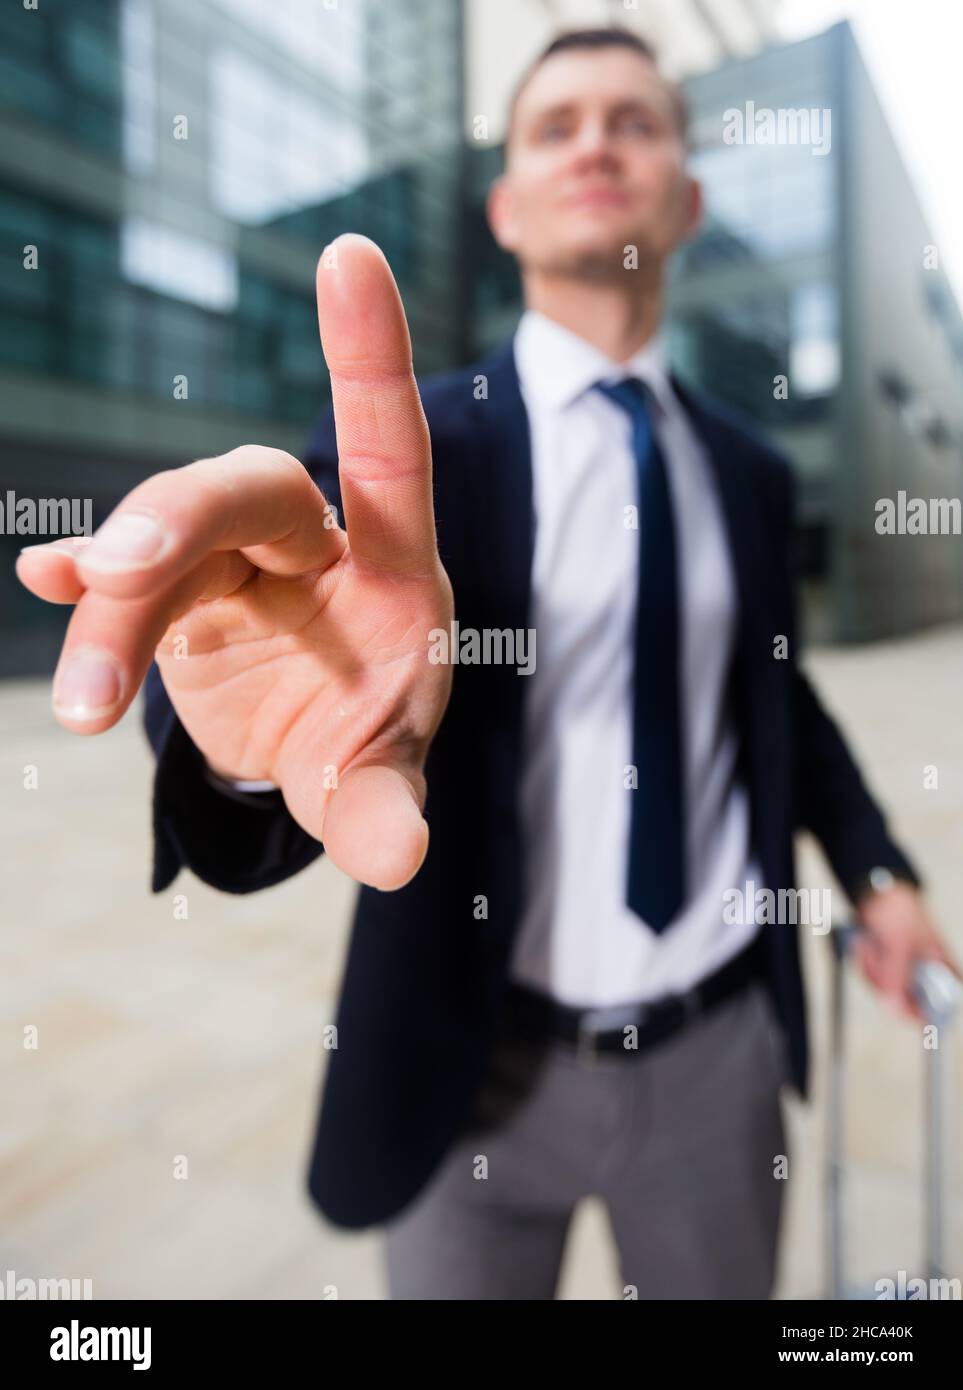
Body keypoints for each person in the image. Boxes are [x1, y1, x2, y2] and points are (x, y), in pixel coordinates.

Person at [16, 27, 958, 1300]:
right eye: (556, 123)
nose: (595, 143)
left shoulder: (753, 469)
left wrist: (878, 869)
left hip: (718, 1055)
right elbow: (306, 649)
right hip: (471, 1066)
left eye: (633, 119)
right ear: (507, 208)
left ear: (685, 200)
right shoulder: (413, 450)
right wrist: (238, 754)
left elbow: (771, 692)